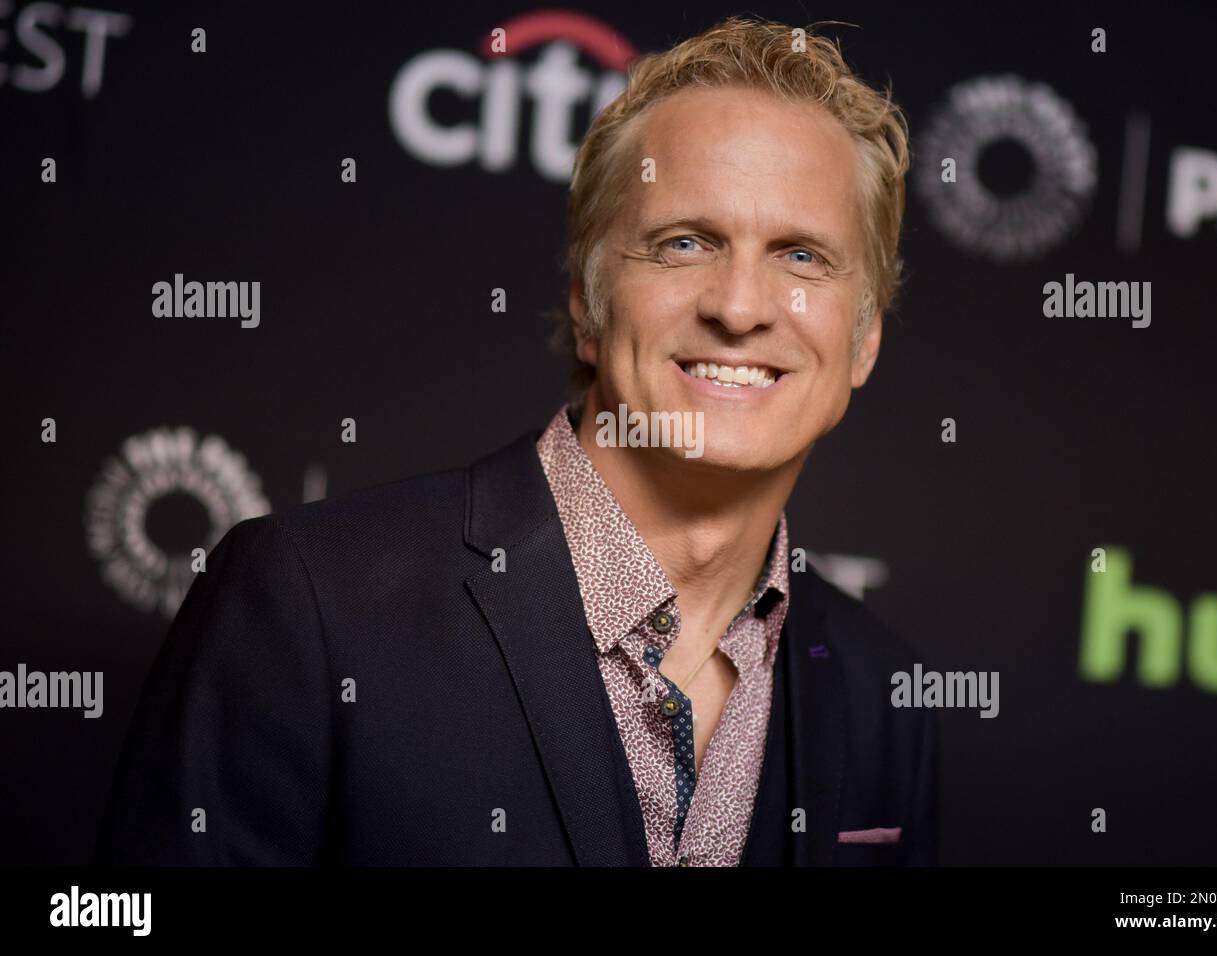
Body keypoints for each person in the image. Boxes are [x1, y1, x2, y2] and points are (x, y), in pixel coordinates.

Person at [96, 16, 936, 867]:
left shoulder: (884, 695)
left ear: (864, 338)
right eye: (684, 243)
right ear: (586, 302)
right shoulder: (312, 602)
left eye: (801, 257)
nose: (740, 306)